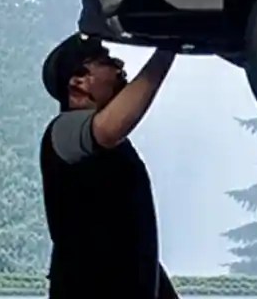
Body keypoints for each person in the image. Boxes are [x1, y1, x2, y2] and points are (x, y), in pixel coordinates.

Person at [38, 32, 179, 299]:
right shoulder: (63, 130)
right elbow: (109, 128)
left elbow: (132, 246)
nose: (119, 66)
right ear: (78, 83)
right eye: (105, 61)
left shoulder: (116, 152)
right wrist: (168, 47)